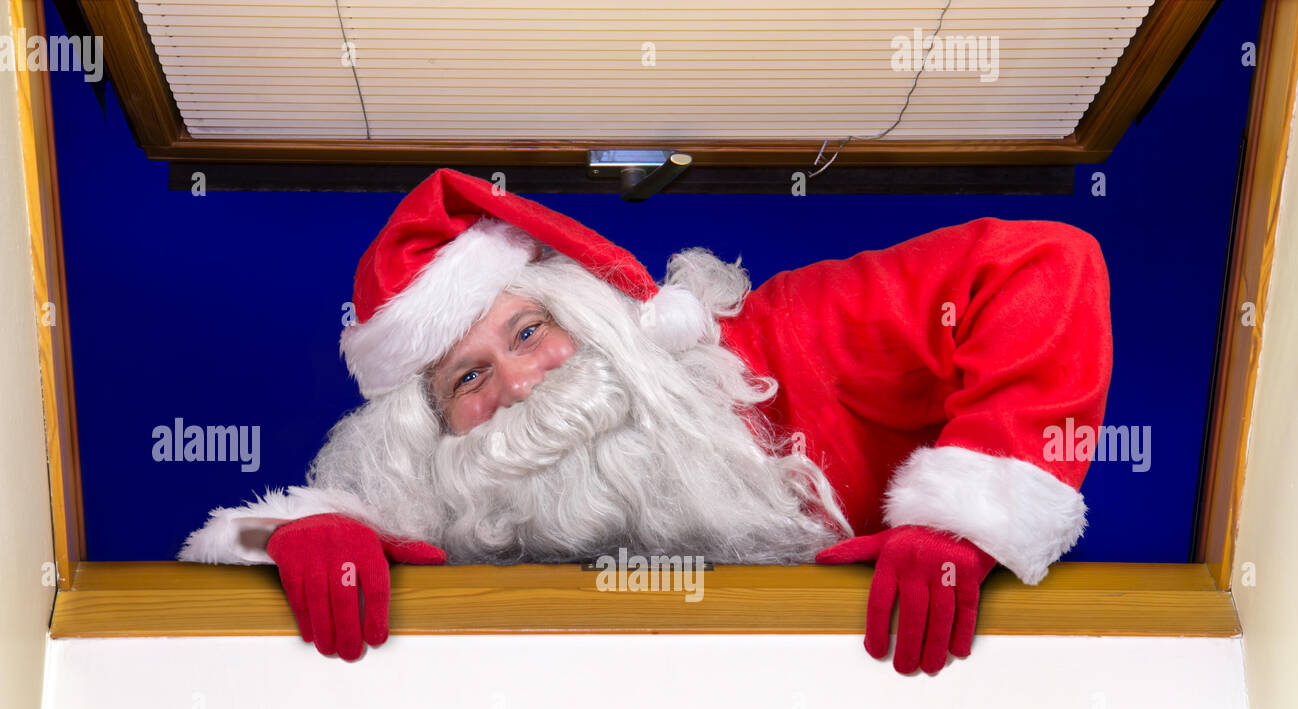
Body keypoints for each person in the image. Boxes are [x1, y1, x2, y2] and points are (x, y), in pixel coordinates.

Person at [180, 168, 1113, 674]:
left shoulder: (785, 343)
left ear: (593, 322)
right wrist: (303, 536)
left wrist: (968, 518)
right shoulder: (468, 488)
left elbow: (1042, 267)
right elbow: (309, 528)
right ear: (441, 429)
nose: (521, 385)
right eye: (470, 376)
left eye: (531, 330)